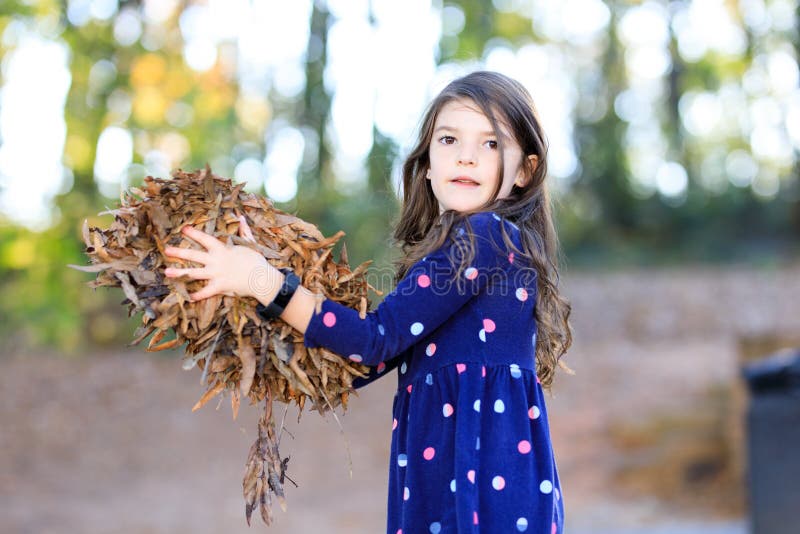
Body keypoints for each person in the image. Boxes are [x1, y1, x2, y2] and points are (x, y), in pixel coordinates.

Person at [164, 71, 573, 534]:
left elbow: (373, 341)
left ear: (526, 171)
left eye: (491, 143)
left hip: (484, 492)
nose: (466, 155)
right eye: (449, 139)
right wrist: (266, 326)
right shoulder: (455, 257)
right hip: (450, 483)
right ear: (427, 164)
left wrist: (262, 279)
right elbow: (360, 365)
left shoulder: (486, 238)